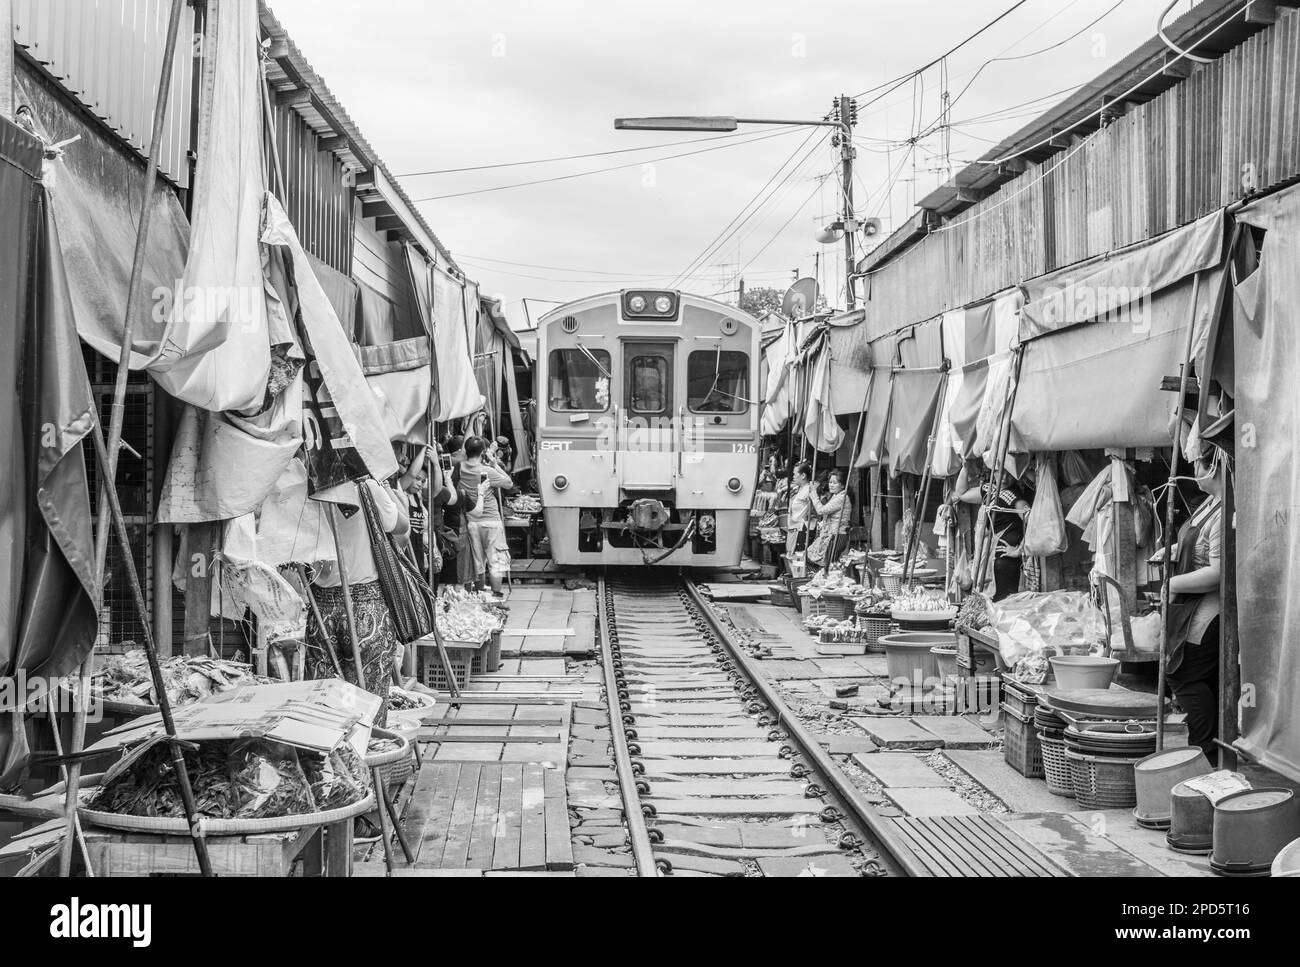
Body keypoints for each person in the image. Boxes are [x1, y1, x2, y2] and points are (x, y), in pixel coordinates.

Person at [305, 478, 409, 727]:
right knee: (369, 698)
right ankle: (369, 757)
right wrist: (386, 489)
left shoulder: (306, 489)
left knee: (328, 701)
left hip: (321, 610)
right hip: (367, 608)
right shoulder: (367, 488)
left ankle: (335, 761)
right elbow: (402, 526)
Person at [1165, 450, 1225, 761]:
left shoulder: (1227, 508)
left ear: (1213, 466)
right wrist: (1170, 552)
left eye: (1197, 465)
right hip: (1192, 601)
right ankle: (1208, 746)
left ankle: (1206, 751)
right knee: (1202, 678)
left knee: (1184, 673)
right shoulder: (1209, 503)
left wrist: (1172, 583)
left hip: (1209, 608)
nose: (1193, 470)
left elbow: (1217, 573)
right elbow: (1193, 542)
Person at [956, 453, 1031, 601]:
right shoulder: (989, 490)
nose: (1003, 477)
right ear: (993, 471)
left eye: (1008, 473)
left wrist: (1019, 550)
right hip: (988, 559)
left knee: (1002, 604)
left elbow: (1032, 520)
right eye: (999, 472)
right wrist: (965, 467)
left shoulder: (1012, 496)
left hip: (1004, 562)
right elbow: (962, 493)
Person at [463, 436, 514, 597]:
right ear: (482, 452)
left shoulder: (459, 468)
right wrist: (494, 464)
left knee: (478, 561)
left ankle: (479, 594)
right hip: (491, 519)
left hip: (471, 520)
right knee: (495, 561)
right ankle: (496, 595)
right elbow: (508, 483)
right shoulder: (487, 471)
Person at [809, 468, 852, 567]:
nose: (831, 485)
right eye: (830, 482)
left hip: (837, 535)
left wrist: (813, 495)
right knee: (828, 563)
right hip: (833, 534)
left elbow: (821, 510)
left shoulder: (842, 498)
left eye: (835, 483)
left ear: (842, 485)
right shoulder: (836, 496)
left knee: (830, 564)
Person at [785, 461, 813, 559]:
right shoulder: (799, 489)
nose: (793, 476)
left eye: (795, 474)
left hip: (801, 531)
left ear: (803, 475)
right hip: (793, 529)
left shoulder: (809, 490)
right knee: (792, 558)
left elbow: (814, 510)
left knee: (798, 560)